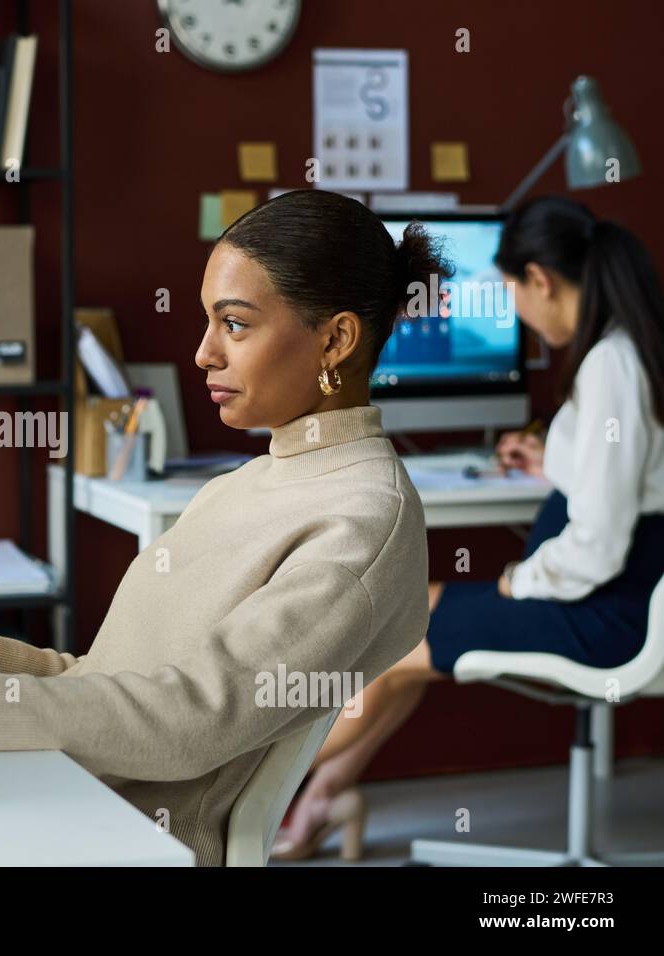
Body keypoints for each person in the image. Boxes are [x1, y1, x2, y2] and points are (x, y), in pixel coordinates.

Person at [0, 189, 442, 867]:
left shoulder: (358, 524)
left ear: (337, 340)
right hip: (60, 797)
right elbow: (105, 687)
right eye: (208, 322)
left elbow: (182, 725)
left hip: (115, 838)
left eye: (234, 323)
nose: (203, 353)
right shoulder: (246, 483)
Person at [272, 196, 664, 861]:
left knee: (393, 638)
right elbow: (628, 470)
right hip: (607, 596)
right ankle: (320, 802)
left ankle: (249, 788)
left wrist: (520, 579)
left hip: (605, 612)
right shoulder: (629, 349)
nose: (513, 310)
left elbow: (596, 545)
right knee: (402, 631)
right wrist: (553, 457)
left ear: (539, 279)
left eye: (510, 290)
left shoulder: (610, 367)